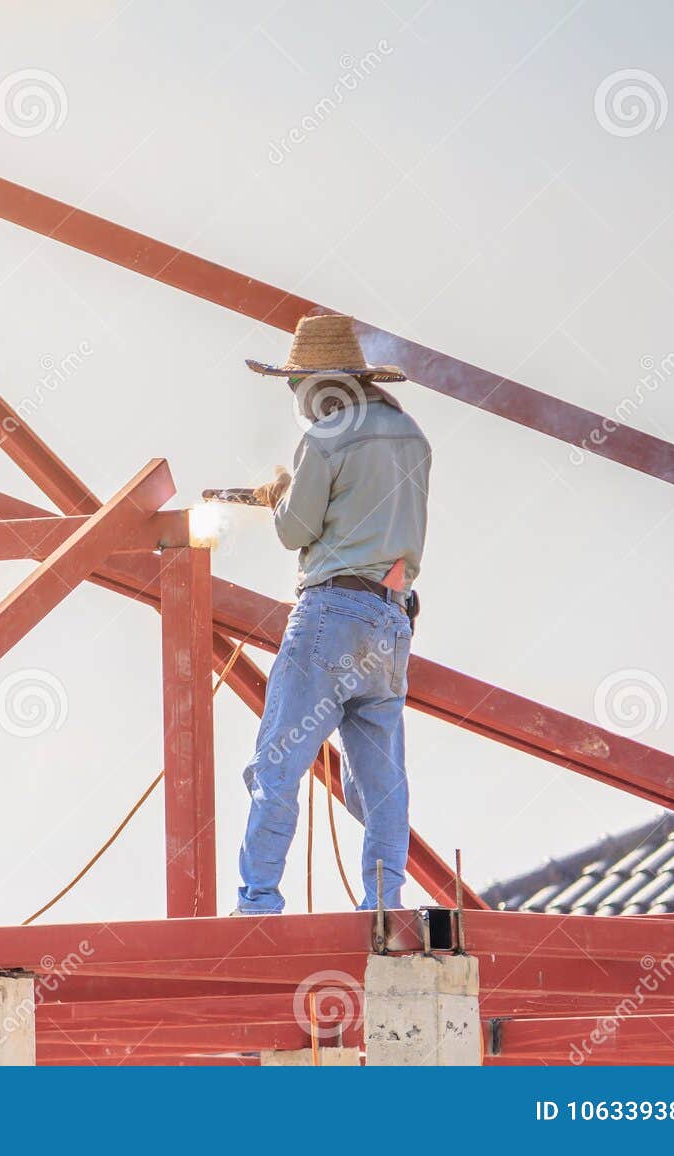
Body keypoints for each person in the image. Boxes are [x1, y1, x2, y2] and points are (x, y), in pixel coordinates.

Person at [233, 313, 431, 914]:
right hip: (391, 621)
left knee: (277, 766)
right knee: (382, 785)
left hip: (331, 614)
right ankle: (383, 909)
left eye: (298, 385)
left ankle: (259, 903)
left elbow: (297, 529)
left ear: (321, 383)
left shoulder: (327, 434)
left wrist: (281, 499)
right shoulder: (412, 436)